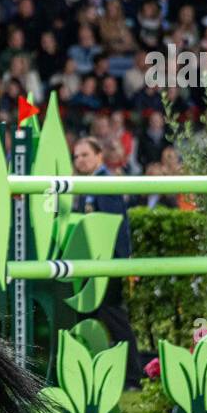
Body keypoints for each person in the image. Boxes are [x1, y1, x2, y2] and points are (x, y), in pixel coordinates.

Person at [73, 136, 142, 388]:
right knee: (88, 318)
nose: (79, 160)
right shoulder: (87, 184)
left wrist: (122, 263)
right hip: (90, 267)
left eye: (85, 155)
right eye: (76, 156)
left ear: (99, 155)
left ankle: (133, 376)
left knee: (114, 319)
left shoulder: (104, 184)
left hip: (107, 265)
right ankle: (91, 374)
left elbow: (117, 226)